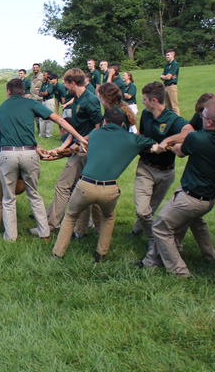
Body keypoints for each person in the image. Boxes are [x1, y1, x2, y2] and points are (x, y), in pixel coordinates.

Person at [137, 100, 215, 276]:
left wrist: (168, 144)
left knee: (160, 227)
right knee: (187, 222)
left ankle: (179, 272)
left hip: (190, 198)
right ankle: (151, 262)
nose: (199, 119)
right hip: (208, 199)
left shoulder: (198, 138)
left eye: (202, 116)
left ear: (210, 122)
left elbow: (180, 151)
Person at [52, 107, 160, 261]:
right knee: (108, 217)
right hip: (109, 189)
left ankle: (58, 253)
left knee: (70, 216)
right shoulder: (132, 139)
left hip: (85, 185)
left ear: (104, 121)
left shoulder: (95, 133)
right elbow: (153, 144)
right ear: (123, 124)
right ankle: (101, 253)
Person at [0, 78, 88, 241]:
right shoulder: (30, 103)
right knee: (34, 194)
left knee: (8, 198)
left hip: (7, 154)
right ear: (24, 91)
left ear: (8, 91)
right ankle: (44, 232)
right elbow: (58, 119)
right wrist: (79, 137)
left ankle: (10, 237)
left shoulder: (1, 108)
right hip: (29, 154)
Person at [45, 69, 103, 235]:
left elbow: (99, 127)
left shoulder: (90, 100)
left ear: (72, 83)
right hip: (77, 148)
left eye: (65, 82)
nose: (64, 86)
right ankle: (82, 226)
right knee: (80, 188)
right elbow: (74, 129)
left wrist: (81, 142)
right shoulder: (76, 100)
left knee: (65, 186)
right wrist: (63, 147)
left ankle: (51, 226)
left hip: (85, 151)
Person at [131, 82, 187, 239]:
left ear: (154, 100)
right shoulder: (146, 115)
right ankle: (154, 239)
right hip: (146, 168)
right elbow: (142, 135)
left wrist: (167, 141)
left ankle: (137, 230)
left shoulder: (174, 120)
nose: (143, 102)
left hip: (166, 172)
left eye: (144, 99)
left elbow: (189, 133)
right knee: (142, 210)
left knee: (151, 207)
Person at [160, 49, 180, 115]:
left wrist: (165, 77)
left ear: (173, 55)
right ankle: (170, 122)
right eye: (166, 55)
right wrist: (166, 77)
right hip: (165, 86)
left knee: (174, 107)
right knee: (167, 107)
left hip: (172, 86)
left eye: (168, 55)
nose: (167, 56)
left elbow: (167, 77)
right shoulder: (166, 65)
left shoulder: (175, 64)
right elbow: (162, 77)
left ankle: (178, 123)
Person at [38, 71, 56, 137]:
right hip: (43, 101)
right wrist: (43, 93)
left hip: (49, 101)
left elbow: (47, 93)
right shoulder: (43, 83)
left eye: (44, 75)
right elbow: (39, 93)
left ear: (48, 75)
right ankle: (42, 134)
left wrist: (43, 93)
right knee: (41, 117)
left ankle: (48, 134)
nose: (43, 76)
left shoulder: (51, 83)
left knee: (49, 118)